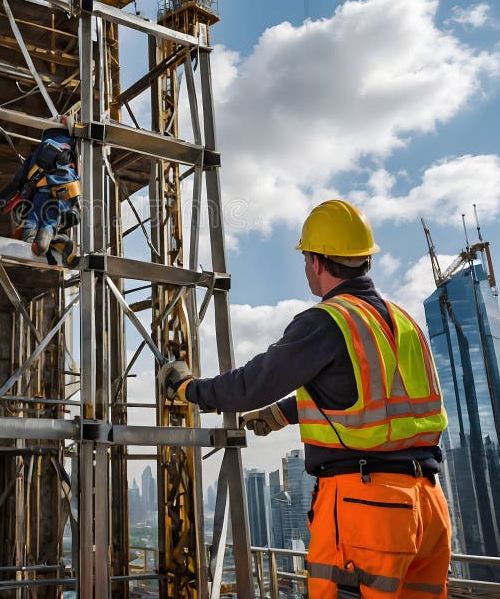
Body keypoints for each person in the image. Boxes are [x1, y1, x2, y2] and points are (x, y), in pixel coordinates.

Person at [158, 199, 451, 599]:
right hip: (428, 506)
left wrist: (190, 388)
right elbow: (367, 398)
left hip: (367, 509)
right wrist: (280, 415)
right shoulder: (402, 321)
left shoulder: (328, 321)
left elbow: (252, 383)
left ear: (315, 261)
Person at [0, 125, 80, 266]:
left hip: (41, 192)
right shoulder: (72, 158)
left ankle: (31, 237)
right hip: (63, 194)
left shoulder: (43, 149)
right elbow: (75, 181)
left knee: (34, 216)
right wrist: (74, 208)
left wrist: (2, 199)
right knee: (51, 219)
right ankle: (50, 237)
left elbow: (19, 178)